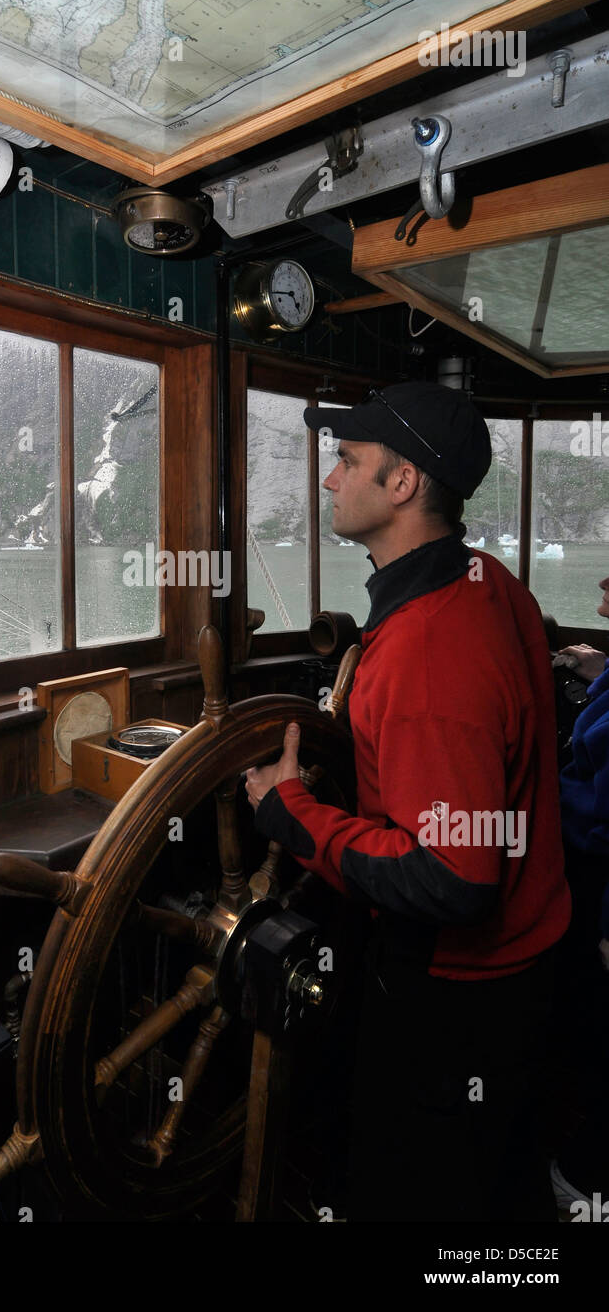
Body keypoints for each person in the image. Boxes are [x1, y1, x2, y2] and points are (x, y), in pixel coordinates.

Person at [244, 382, 571, 1222]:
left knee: (421, 1195)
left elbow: (455, 879)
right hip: (525, 971)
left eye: (346, 461)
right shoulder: (487, 581)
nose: (328, 480)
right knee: (498, 1186)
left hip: (455, 991)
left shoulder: (429, 652)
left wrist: (289, 813)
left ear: (401, 486)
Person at [549, 579, 609, 1207]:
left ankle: (585, 1177)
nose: (600, 580)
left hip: (596, 881)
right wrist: (602, 671)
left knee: (596, 1021)